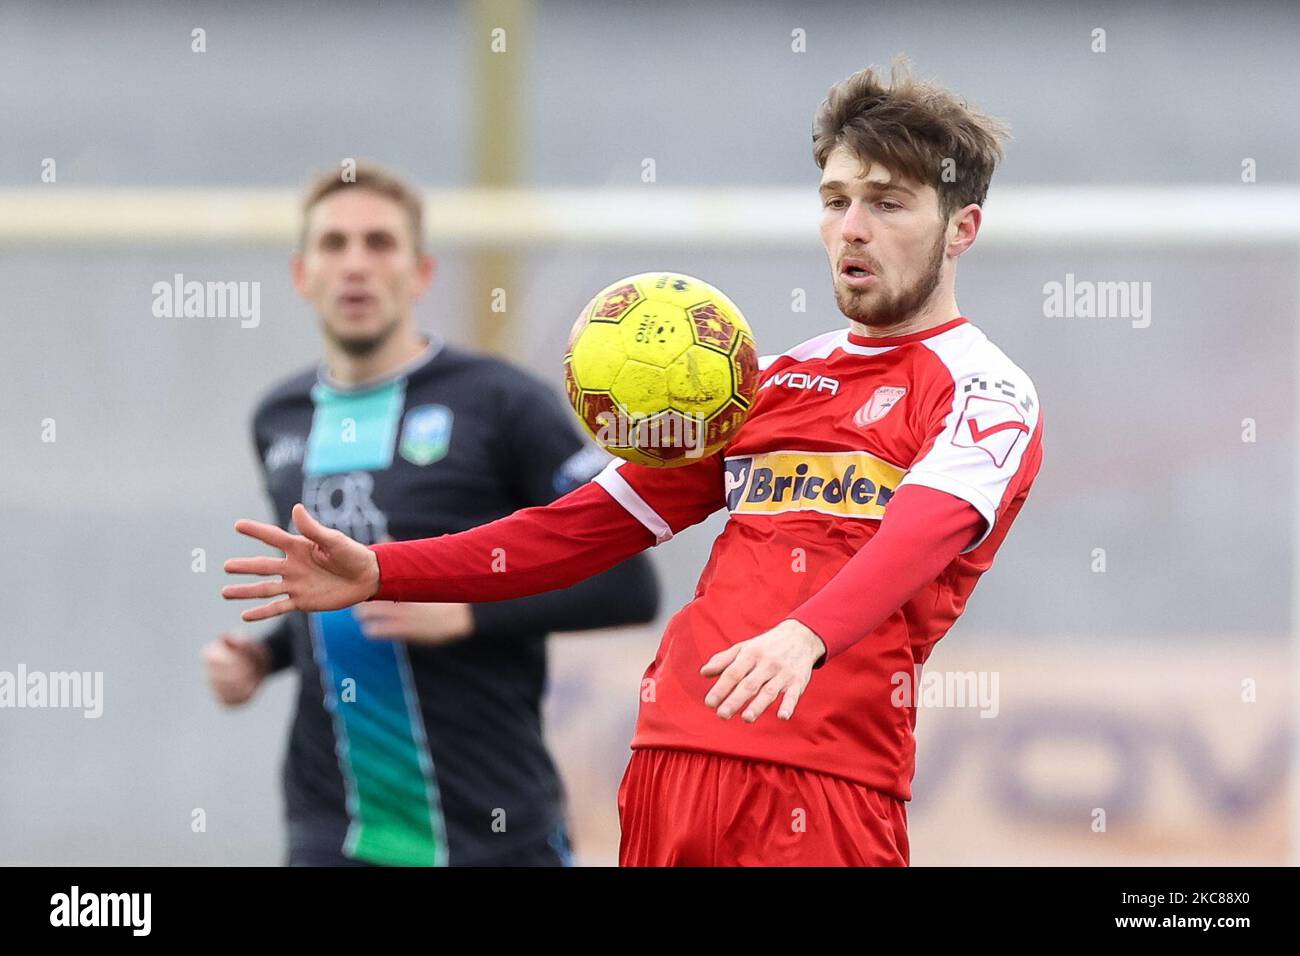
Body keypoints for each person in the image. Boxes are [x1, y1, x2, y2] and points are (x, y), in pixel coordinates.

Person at [222, 62, 1043, 866]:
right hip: (670, 761)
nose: (852, 227)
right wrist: (382, 569)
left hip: (823, 777)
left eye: (887, 204)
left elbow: (925, 527)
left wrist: (805, 635)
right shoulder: (771, 381)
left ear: (961, 228)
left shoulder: (986, 387)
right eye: (836, 201)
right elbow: (583, 526)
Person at [203, 162, 659, 867]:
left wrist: (471, 612)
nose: (356, 264)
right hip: (334, 829)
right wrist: (262, 658)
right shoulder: (279, 418)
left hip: (491, 827)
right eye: (334, 244)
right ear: (303, 274)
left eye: (380, 243)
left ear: (420, 273)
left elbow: (627, 581)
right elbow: (325, 597)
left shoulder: (502, 404)